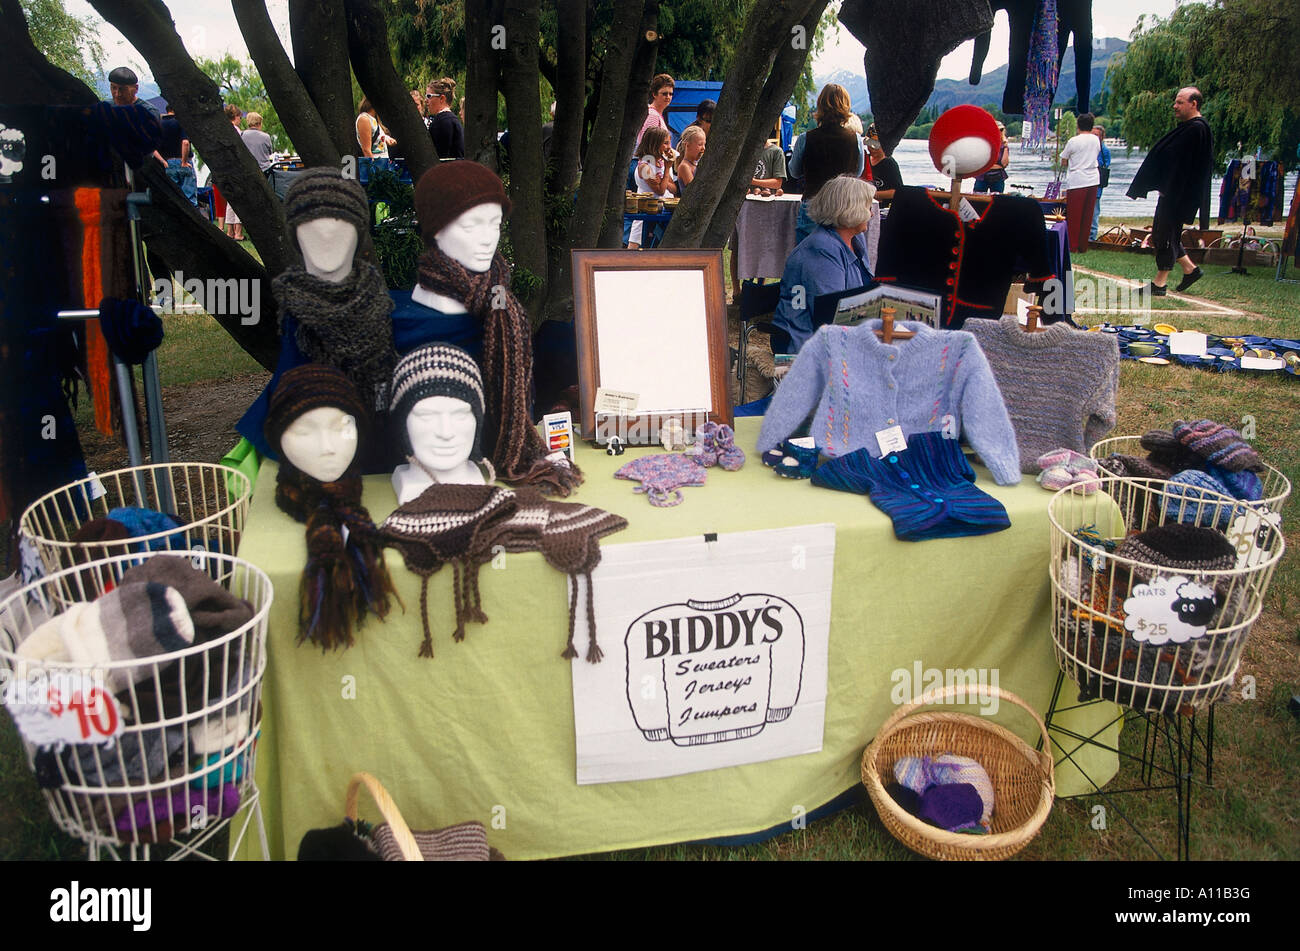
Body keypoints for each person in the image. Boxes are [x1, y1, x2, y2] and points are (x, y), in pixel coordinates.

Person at [771, 175, 877, 354]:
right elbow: (833, 314)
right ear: (850, 209)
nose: (872, 213)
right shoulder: (821, 248)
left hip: (842, 337)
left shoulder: (855, 239)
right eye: (867, 207)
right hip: (809, 346)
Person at [1127, 87, 1213, 295]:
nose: (1175, 106)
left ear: (1194, 104)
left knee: (1164, 234)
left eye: (1180, 102)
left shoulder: (1196, 129)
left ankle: (1159, 284)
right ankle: (1190, 269)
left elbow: (1185, 166)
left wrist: (1169, 187)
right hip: (1174, 191)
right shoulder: (1190, 127)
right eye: (1176, 101)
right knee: (1165, 233)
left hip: (1178, 193)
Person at [788, 83, 865, 244]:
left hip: (813, 206)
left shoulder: (805, 138)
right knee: (840, 259)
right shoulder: (855, 139)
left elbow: (794, 172)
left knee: (807, 258)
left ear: (820, 105)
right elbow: (857, 173)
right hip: (844, 208)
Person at [1059, 112, 1101, 253]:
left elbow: (1063, 160)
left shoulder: (1073, 141)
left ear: (1078, 125)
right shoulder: (1096, 140)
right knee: (1087, 215)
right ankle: (1083, 245)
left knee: (1074, 215)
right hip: (1093, 178)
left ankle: (1072, 245)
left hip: (1078, 179)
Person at [628, 126, 672, 250]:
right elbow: (660, 190)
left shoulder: (661, 162)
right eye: (665, 143)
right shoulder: (645, 167)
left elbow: (673, 188)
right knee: (636, 246)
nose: (669, 147)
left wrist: (663, 180)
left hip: (662, 210)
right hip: (647, 210)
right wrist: (668, 170)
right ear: (654, 144)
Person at [159, 103, 196, 206]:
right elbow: (185, 143)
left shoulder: (159, 124)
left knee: (172, 197)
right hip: (182, 160)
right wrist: (184, 161)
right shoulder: (181, 122)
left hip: (167, 162)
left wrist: (162, 161)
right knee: (189, 198)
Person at [863, 122, 903, 207]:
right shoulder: (865, 159)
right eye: (869, 145)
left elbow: (897, 191)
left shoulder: (889, 163)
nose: (872, 149)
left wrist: (871, 195)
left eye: (876, 146)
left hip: (884, 207)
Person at [426, 78, 465, 159]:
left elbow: (440, 155)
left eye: (429, 96)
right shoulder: (452, 120)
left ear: (442, 98)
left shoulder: (442, 122)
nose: (426, 100)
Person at [222, 104, 245, 240]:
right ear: (235, 117)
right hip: (236, 167)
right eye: (240, 117)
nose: (240, 120)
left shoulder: (222, 130)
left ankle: (229, 231)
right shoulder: (236, 131)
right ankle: (238, 232)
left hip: (225, 167)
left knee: (230, 200)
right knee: (240, 199)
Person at [637, 73, 675, 148]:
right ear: (654, 94)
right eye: (664, 94)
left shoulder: (657, 114)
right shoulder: (652, 115)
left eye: (670, 94)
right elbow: (647, 147)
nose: (668, 97)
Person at [974, 121, 1010, 193]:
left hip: (998, 177)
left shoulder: (1003, 146)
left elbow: (1004, 164)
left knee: (997, 199)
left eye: (1001, 130)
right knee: (978, 197)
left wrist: (1006, 146)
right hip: (982, 176)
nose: (999, 132)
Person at [751, 124, 786, 193]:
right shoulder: (743, 150)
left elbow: (777, 183)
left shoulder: (776, 151)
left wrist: (753, 181)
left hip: (768, 199)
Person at [1090, 124, 1111, 242]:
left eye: (1096, 135)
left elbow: (1105, 165)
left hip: (1097, 186)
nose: (1093, 137)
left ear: (1102, 137)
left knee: (1094, 212)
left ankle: (1092, 238)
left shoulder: (1104, 150)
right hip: (1087, 183)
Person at [674, 125, 705, 194]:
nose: (703, 148)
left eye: (704, 144)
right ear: (687, 145)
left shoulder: (696, 164)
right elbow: (694, 191)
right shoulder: (684, 167)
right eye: (700, 144)